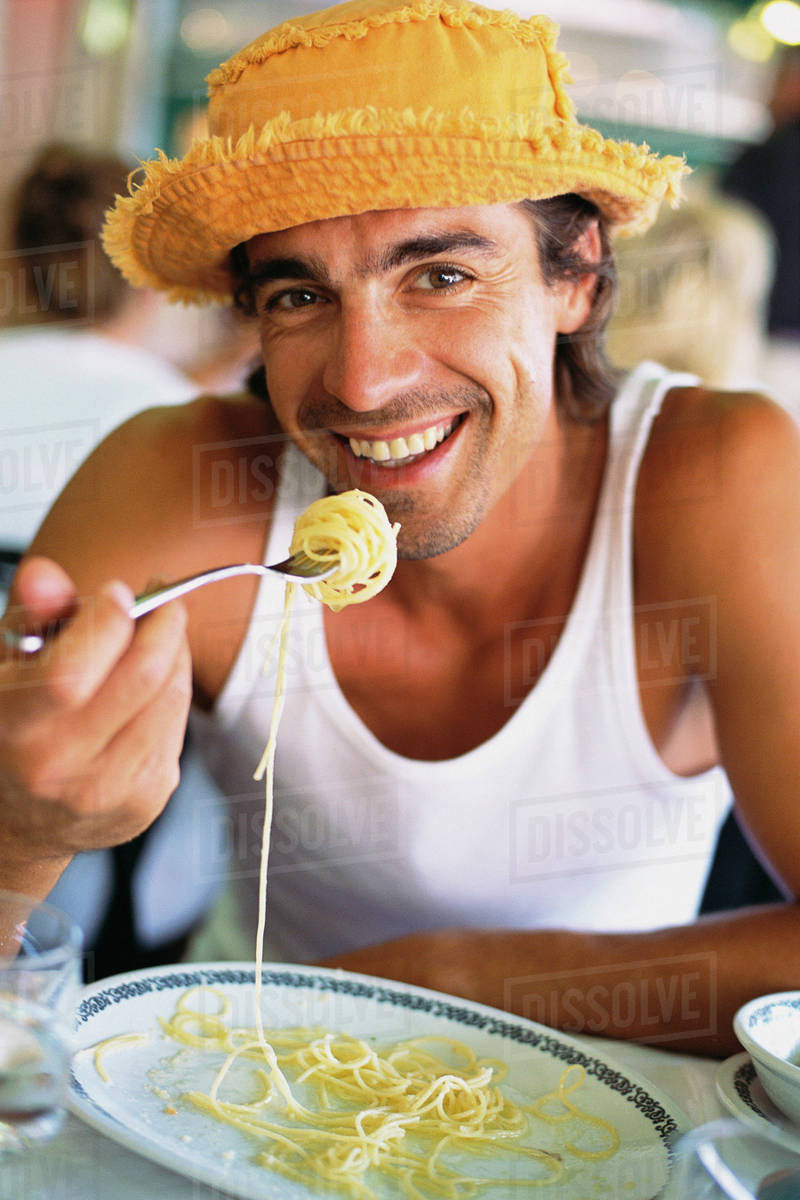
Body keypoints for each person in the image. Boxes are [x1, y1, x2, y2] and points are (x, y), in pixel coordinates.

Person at [2, 0, 800, 1058]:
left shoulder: (713, 474)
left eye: (441, 275)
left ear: (574, 276)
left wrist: (438, 983)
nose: (363, 380)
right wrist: (18, 838)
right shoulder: (176, 485)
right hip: (245, 1097)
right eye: (297, 294)